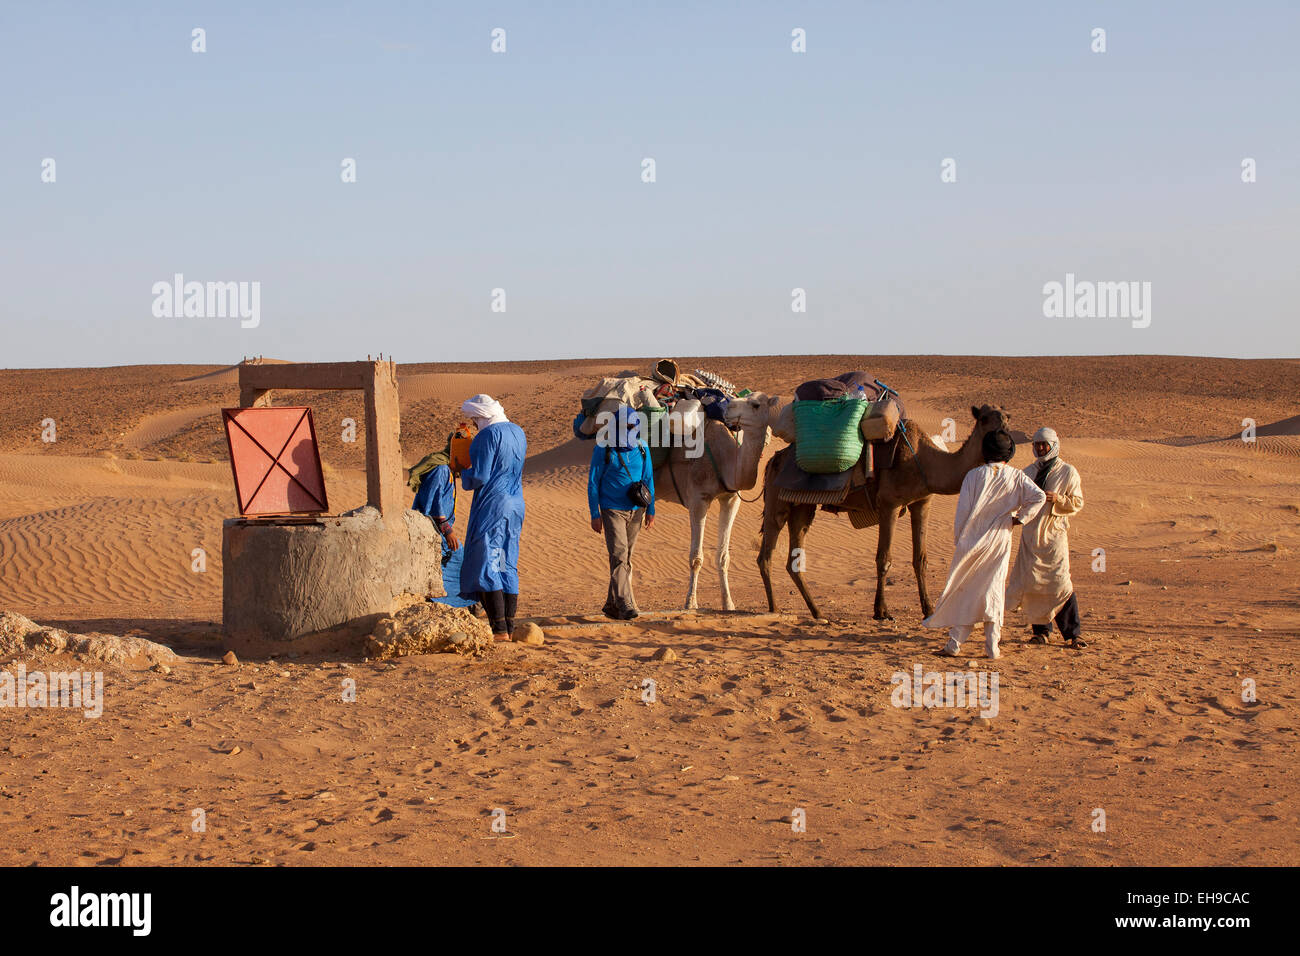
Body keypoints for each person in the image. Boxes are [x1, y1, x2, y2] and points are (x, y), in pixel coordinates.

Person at [924, 429, 1046, 659]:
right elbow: (1039, 497)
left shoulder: (973, 475)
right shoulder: (1016, 476)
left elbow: (962, 514)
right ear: (1008, 452)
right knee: (993, 589)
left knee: (967, 589)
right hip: (999, 539)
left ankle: (955, 643)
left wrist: (960, 540)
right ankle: (991, 646)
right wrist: (1019, 518)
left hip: (972, 540)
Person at [1006, 426, 1087, 648]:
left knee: (1061, 583)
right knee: (1034, 584)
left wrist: (1059, 499)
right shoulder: (1027, 473)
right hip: (1031, 536)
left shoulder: (1068, 472)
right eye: (1037, 445)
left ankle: (1073, 634)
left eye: (1044, 445)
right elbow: (1016, 500)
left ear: (1054, 445)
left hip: (1053, 537)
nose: (1041, 448)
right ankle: (1041, 632)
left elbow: (1077, 502)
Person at [458, 394, 527, 641]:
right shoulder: (518, 432)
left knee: (486, 560)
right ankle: (509, 627)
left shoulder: (487, 436)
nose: (474, 425)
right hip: (516, 503)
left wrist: (463, 471)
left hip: (492, 504)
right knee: (506, 561)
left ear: (482, 416)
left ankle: (498, 630)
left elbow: (480, 476)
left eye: (475, 420)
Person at [588, 405, 656, 620]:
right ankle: (625, 604)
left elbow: (648, 480)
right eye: (622, 426)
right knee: (619, 555)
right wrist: (594, 513)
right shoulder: (604, 448)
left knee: (625, 558)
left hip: (636, 511)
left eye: (630, 426)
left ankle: (611, 605)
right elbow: (593, 483)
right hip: (612, 510)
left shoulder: (643, 448)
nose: (627, 430)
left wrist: (651, 510)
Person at [410, 425, 479, 610]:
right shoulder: (441, 471)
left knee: (458, 563)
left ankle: (461, 606)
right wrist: (448, 531)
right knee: (456, 562)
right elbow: (432, 505)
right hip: (435, 531)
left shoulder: (447, 471)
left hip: (439, 531)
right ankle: (453, 605)